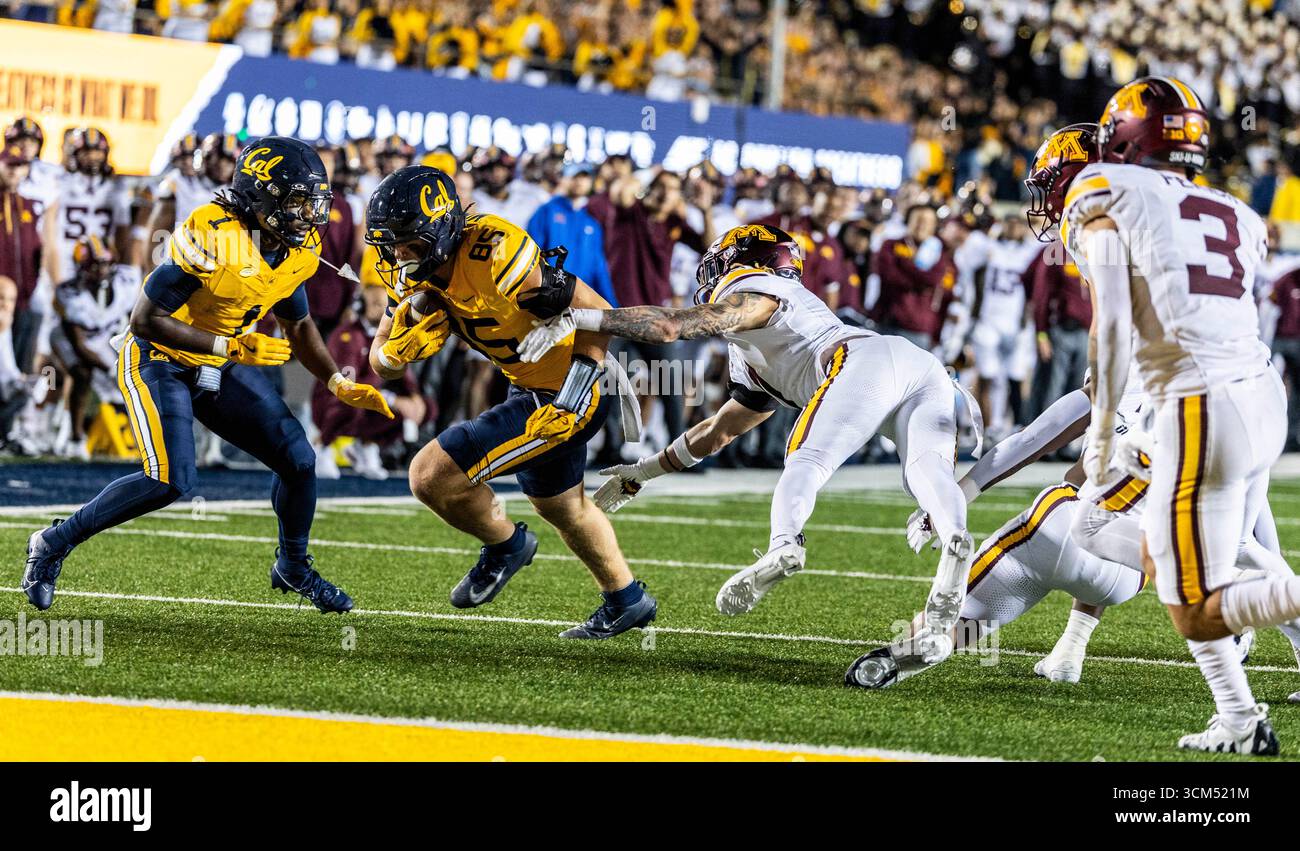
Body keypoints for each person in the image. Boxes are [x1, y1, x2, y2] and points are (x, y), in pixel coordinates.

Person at [517, 223, 979, 678]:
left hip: (861, 362)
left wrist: (583, 316)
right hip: (921, 368)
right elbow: (719, 431)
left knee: (807, 460)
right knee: (927, 474)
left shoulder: (753, 288)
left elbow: (671, 325)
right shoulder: (760, 347)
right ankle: (955, 542)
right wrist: (645, 471)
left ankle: (784, 546)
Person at [21, 137, 393, 614]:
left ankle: (293, 565)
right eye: (299, 201)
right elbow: (145, 320)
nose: (309, 214)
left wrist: (336, 381)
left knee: (299, 460)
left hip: (218, 361)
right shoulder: (211, 233)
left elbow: (297, 324)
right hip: (157, 358)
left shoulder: (293, 246)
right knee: (169, 479)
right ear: (262, 197)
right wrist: (230, 345)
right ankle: (52, 542)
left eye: (314, 202)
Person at [1079, 77, 1300, 755]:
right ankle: (1238, 718)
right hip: (1261, 393)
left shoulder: (1105, 189)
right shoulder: (1237, 209)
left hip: (1201, 403)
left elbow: (1113, 325)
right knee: (1179, 568)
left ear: (1122, 140)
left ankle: (1241, 710)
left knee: (1196, 608)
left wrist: (1100, 425)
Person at [363, 165, 656, 639]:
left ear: (439, 231)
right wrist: (395, 353)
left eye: (407, 242)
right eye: (390, 244)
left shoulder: (494, 254)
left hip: (574, 390)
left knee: (429, 476)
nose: (397, 255)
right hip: (525, 384)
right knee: (563, 507)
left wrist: (572, 397)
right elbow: (381, 363)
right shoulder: (417, 273)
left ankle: (505, 545)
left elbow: (598, 313)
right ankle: (627, 599)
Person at [311, 279, 427, 481]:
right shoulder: (348, 336)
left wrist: (414, 397)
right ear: (360, 305)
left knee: (425, 407)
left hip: (369, 400)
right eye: (375, 305)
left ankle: (366, 445)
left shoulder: (389, 338)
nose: (383, 312)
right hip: (332, 401)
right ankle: (322, 445)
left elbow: (404, 375)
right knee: (350, 402)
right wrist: (392, 399)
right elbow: (347, 387)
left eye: (386, 306)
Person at [49, 236, 140, 459]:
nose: (101, 270)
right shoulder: (70, 294)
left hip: (104, 338)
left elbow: (136, 322)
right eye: (94, 265)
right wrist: (110, 369)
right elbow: (80, 346)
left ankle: (139, 441)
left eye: (105, 263)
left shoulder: (124, 285)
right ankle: (75, 439)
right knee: (82, 374)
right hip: (68, 340)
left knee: (132, 381)